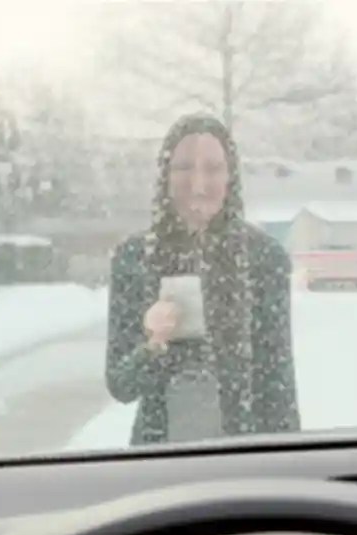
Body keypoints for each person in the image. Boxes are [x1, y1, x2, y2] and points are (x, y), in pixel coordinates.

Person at [105, 113, 300, 445]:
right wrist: (152, 346)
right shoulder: (135, 257)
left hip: (241, 460)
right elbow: (121, 385)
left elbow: (278, 386)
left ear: (231, 177)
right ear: (165, 176)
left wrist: (286, 471)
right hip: (157, 461)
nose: (198, 184)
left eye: (213, 168)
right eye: (183, 168)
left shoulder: (263, 258)